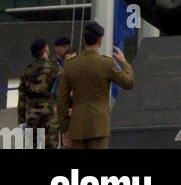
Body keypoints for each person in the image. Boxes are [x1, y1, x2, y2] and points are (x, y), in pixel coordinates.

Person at [55, 20, 133, 150]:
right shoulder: (107, 63)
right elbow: (128, 83)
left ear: (83, 39)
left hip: (77, 125)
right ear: (100, 40)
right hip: (99, 125)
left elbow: (61, 99)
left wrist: (65, 127)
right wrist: (124, 62)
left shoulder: (70, 65)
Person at [17, 38, 60, 148]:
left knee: (32, 145)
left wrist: (21, 120)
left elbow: (22, 97)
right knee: (51, 145)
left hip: (33, 115)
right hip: (51, 114)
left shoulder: (27, 71)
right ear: (45, 49)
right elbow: (62, 91)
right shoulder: (55, 68)